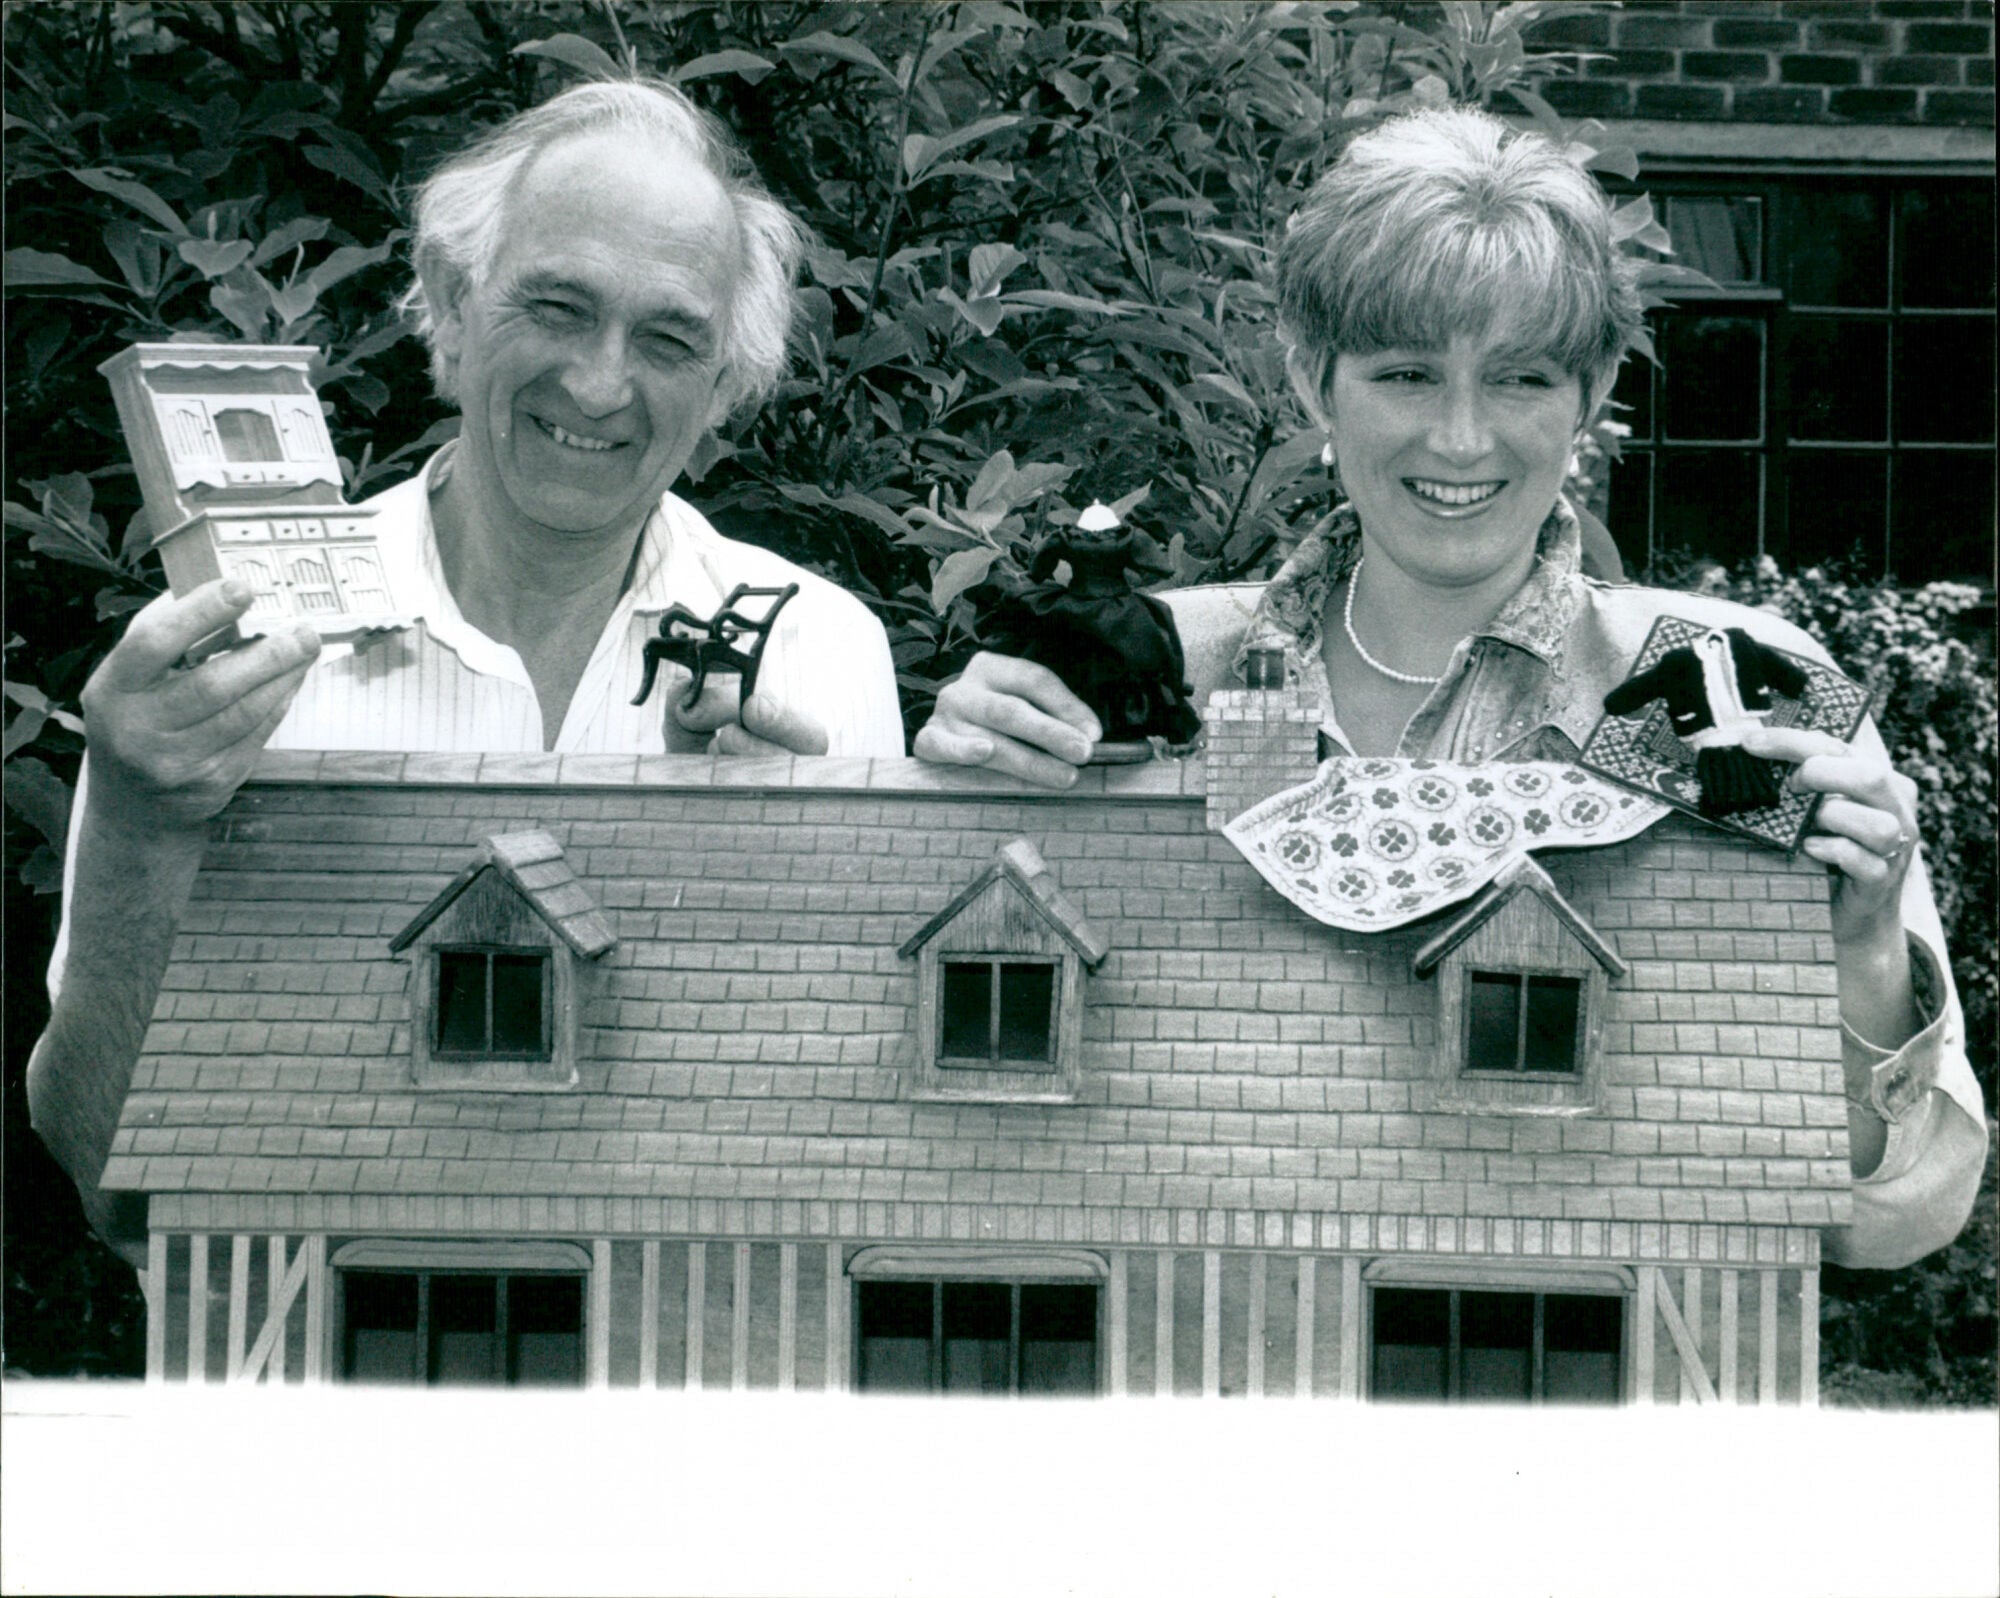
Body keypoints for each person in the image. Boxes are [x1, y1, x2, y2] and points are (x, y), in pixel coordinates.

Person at [916, 105, 1985, 1269]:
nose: (1462, 438)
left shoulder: (1735, 691)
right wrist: (963, 781)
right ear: (1312, 381)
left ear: (1591, 391)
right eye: (1406, 373)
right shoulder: (1140, 673)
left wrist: (1866, 946)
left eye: (1519, 377)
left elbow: (1892, 1221)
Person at [30, 79, 904, 1263]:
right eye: (557, 306)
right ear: (452, 300)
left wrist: (773, 901)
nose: (600, 383)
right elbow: (110, 1179)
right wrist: (140, 821)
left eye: (667, 338)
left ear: (723, 386)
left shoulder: (819, 648)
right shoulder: (225, 652)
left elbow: (865, 1179)